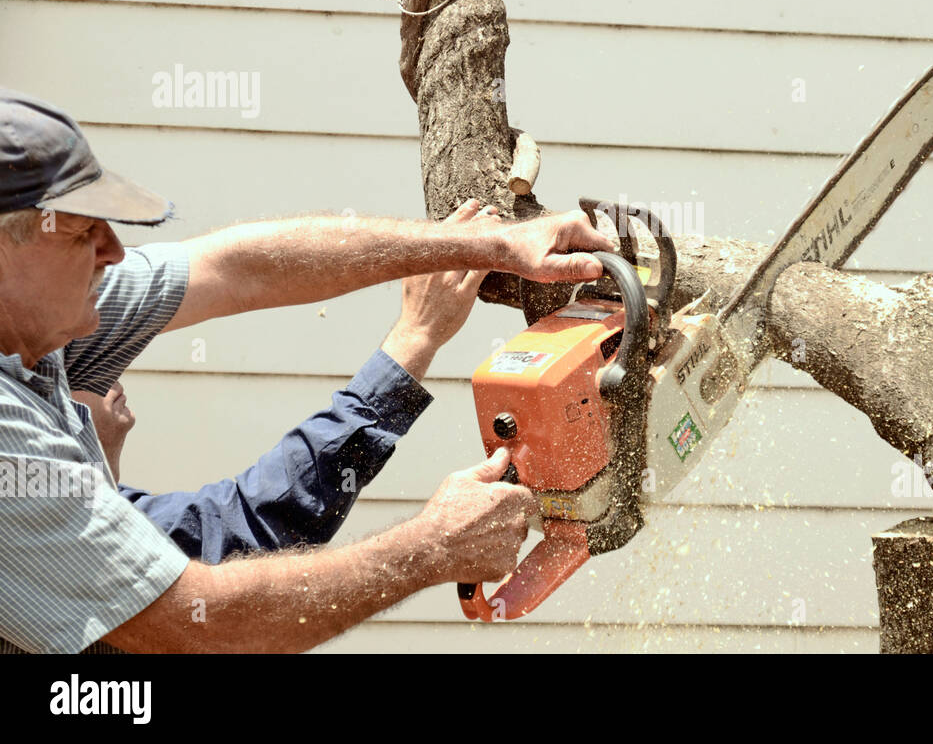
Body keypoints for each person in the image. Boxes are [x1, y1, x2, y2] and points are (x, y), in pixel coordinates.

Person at [0, 88, 615, 653]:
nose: (112, 250)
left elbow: (239, 268)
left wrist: (489, 246)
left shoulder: (41, 320)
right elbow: (196, 623)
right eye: (82, 232)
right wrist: (430, 550)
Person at [70, 199, 497, 565]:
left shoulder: (51, 300)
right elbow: (260, 526)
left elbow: (236, 269)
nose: (108, 363)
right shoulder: (73, 527)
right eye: (75, 357)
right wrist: (415, 336)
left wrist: (455, 246)